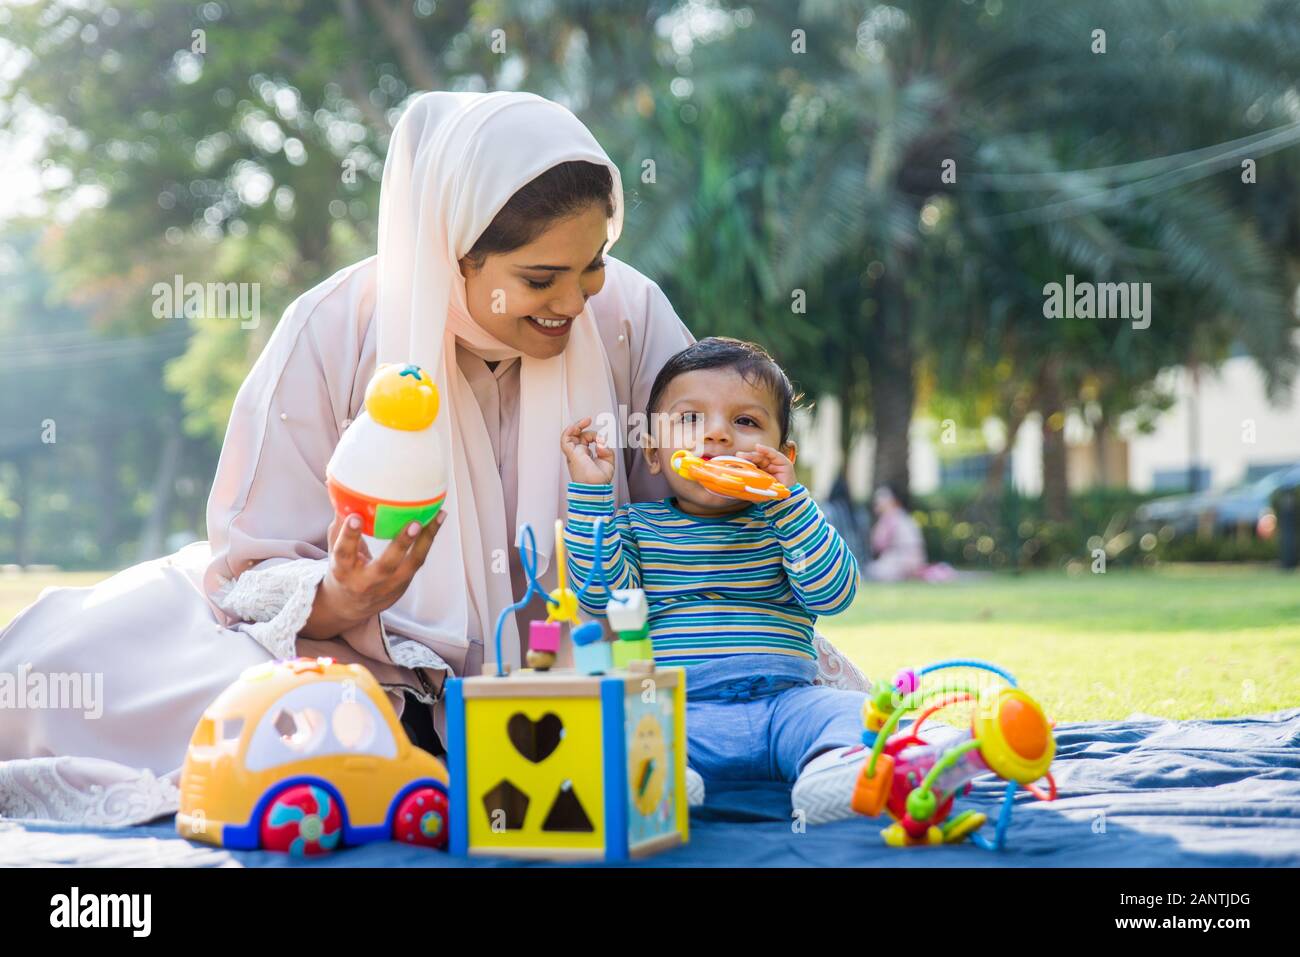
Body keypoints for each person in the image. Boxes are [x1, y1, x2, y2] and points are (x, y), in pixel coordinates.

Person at [0, 92, 867, 826]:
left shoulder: (627, 312)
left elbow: (693, 486)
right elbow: (251, 559)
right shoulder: (335, 327)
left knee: (793, 708)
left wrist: (745, 490)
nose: (575, 302)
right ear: (453, 254)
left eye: (593, 265)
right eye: (540, 279)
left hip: (593, 660)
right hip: (365, 657)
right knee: (184, 703)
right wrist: (345, 597)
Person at [561, 337, 871, 823]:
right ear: (654, 453)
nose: (718, 436)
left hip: (786, 703)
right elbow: (600, 596)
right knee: (618, 728)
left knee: (848, 715)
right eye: (689, 420)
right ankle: (664, 774)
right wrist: (592, 494)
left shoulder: (786, 526)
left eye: (746, 421)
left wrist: (790, 505)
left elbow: (834, 594)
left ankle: (833, 769)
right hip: (679, 709)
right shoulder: (639, 527)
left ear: (782, 453)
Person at [866, 484, 928, 581]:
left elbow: (878, 544)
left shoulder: (889, 517)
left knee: (872, 570)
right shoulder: (903, 516)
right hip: (915, 560)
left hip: (902, 560)